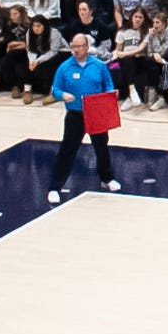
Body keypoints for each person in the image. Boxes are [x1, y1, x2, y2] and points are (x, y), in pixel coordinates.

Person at [46, 30, 122, 204]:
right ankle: (54, 187)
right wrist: (63, 95)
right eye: (74, 46)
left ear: (87, 47)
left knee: (101, 147)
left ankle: (107, 178)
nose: (77, 50)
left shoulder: (99, 66)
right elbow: (55, 89)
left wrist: (112, 93)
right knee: (67, 150)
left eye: (80, 46)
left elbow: (108, 85)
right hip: (75, 115)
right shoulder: (64, 67)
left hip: (96, 113)